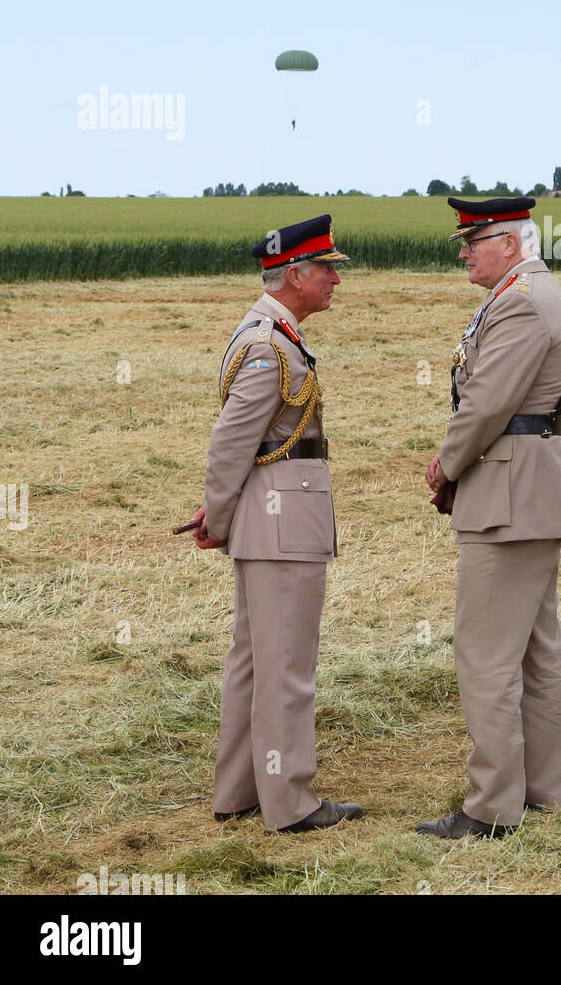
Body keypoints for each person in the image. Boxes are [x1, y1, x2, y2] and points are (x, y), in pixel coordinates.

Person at [187, 213, 363, 833]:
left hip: (273, 521)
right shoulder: (269, 343)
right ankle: (290, 801)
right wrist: (220, 518)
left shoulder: (273, 332)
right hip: (281, 526)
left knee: (256, 661)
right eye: (327, 270)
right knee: (284, 667)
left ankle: (239, 791)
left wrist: (223, 514)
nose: (335, 281)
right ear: (294, 274)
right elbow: (230, 444)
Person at [419, 196, 561, 840]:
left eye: (475, 240)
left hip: (509, 487)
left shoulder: (520, 300)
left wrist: (447, 464)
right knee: (536, 650)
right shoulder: (536, 291)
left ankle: (491, 808)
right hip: (532, 483)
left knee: (485, 652)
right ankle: (542, 789)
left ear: (510, 244)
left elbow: (486, 402)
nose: (464, 250)